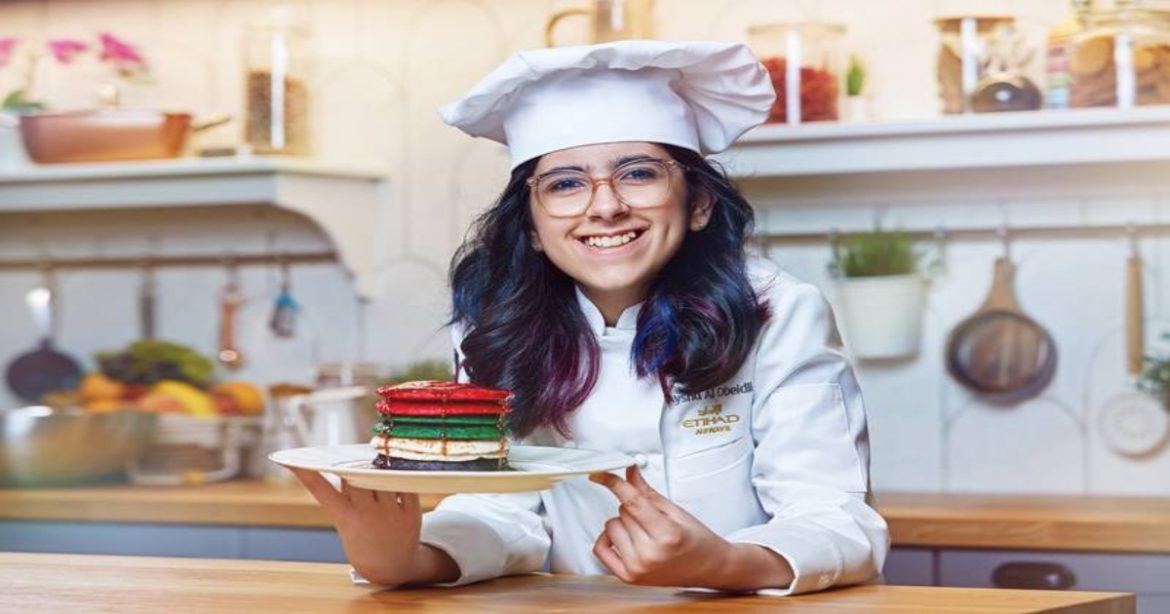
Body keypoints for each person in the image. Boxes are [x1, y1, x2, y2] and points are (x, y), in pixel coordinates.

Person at [293, 39, 889, 595]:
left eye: (639, 173)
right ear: (531, 224)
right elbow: (501, 507)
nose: (605, 207)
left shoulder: (780, 312)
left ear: (700, 202)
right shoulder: (497, 327)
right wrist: (405, 559)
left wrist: (722, 563)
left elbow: (836, 518)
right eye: (565, 184)